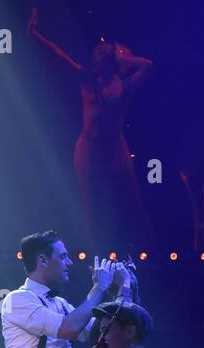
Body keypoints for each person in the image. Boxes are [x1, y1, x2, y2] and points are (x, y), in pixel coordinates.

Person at [28, 7, 154, 252]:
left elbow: (149, 65)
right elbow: (57, 56)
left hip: (115, 147)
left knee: (134, 206)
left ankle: (152, 257)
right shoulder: (87, 80)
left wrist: (121, 59)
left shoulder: (125, 86)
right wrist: (35, 35)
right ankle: (92, 259)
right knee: (91, 210)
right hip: (90, 148)